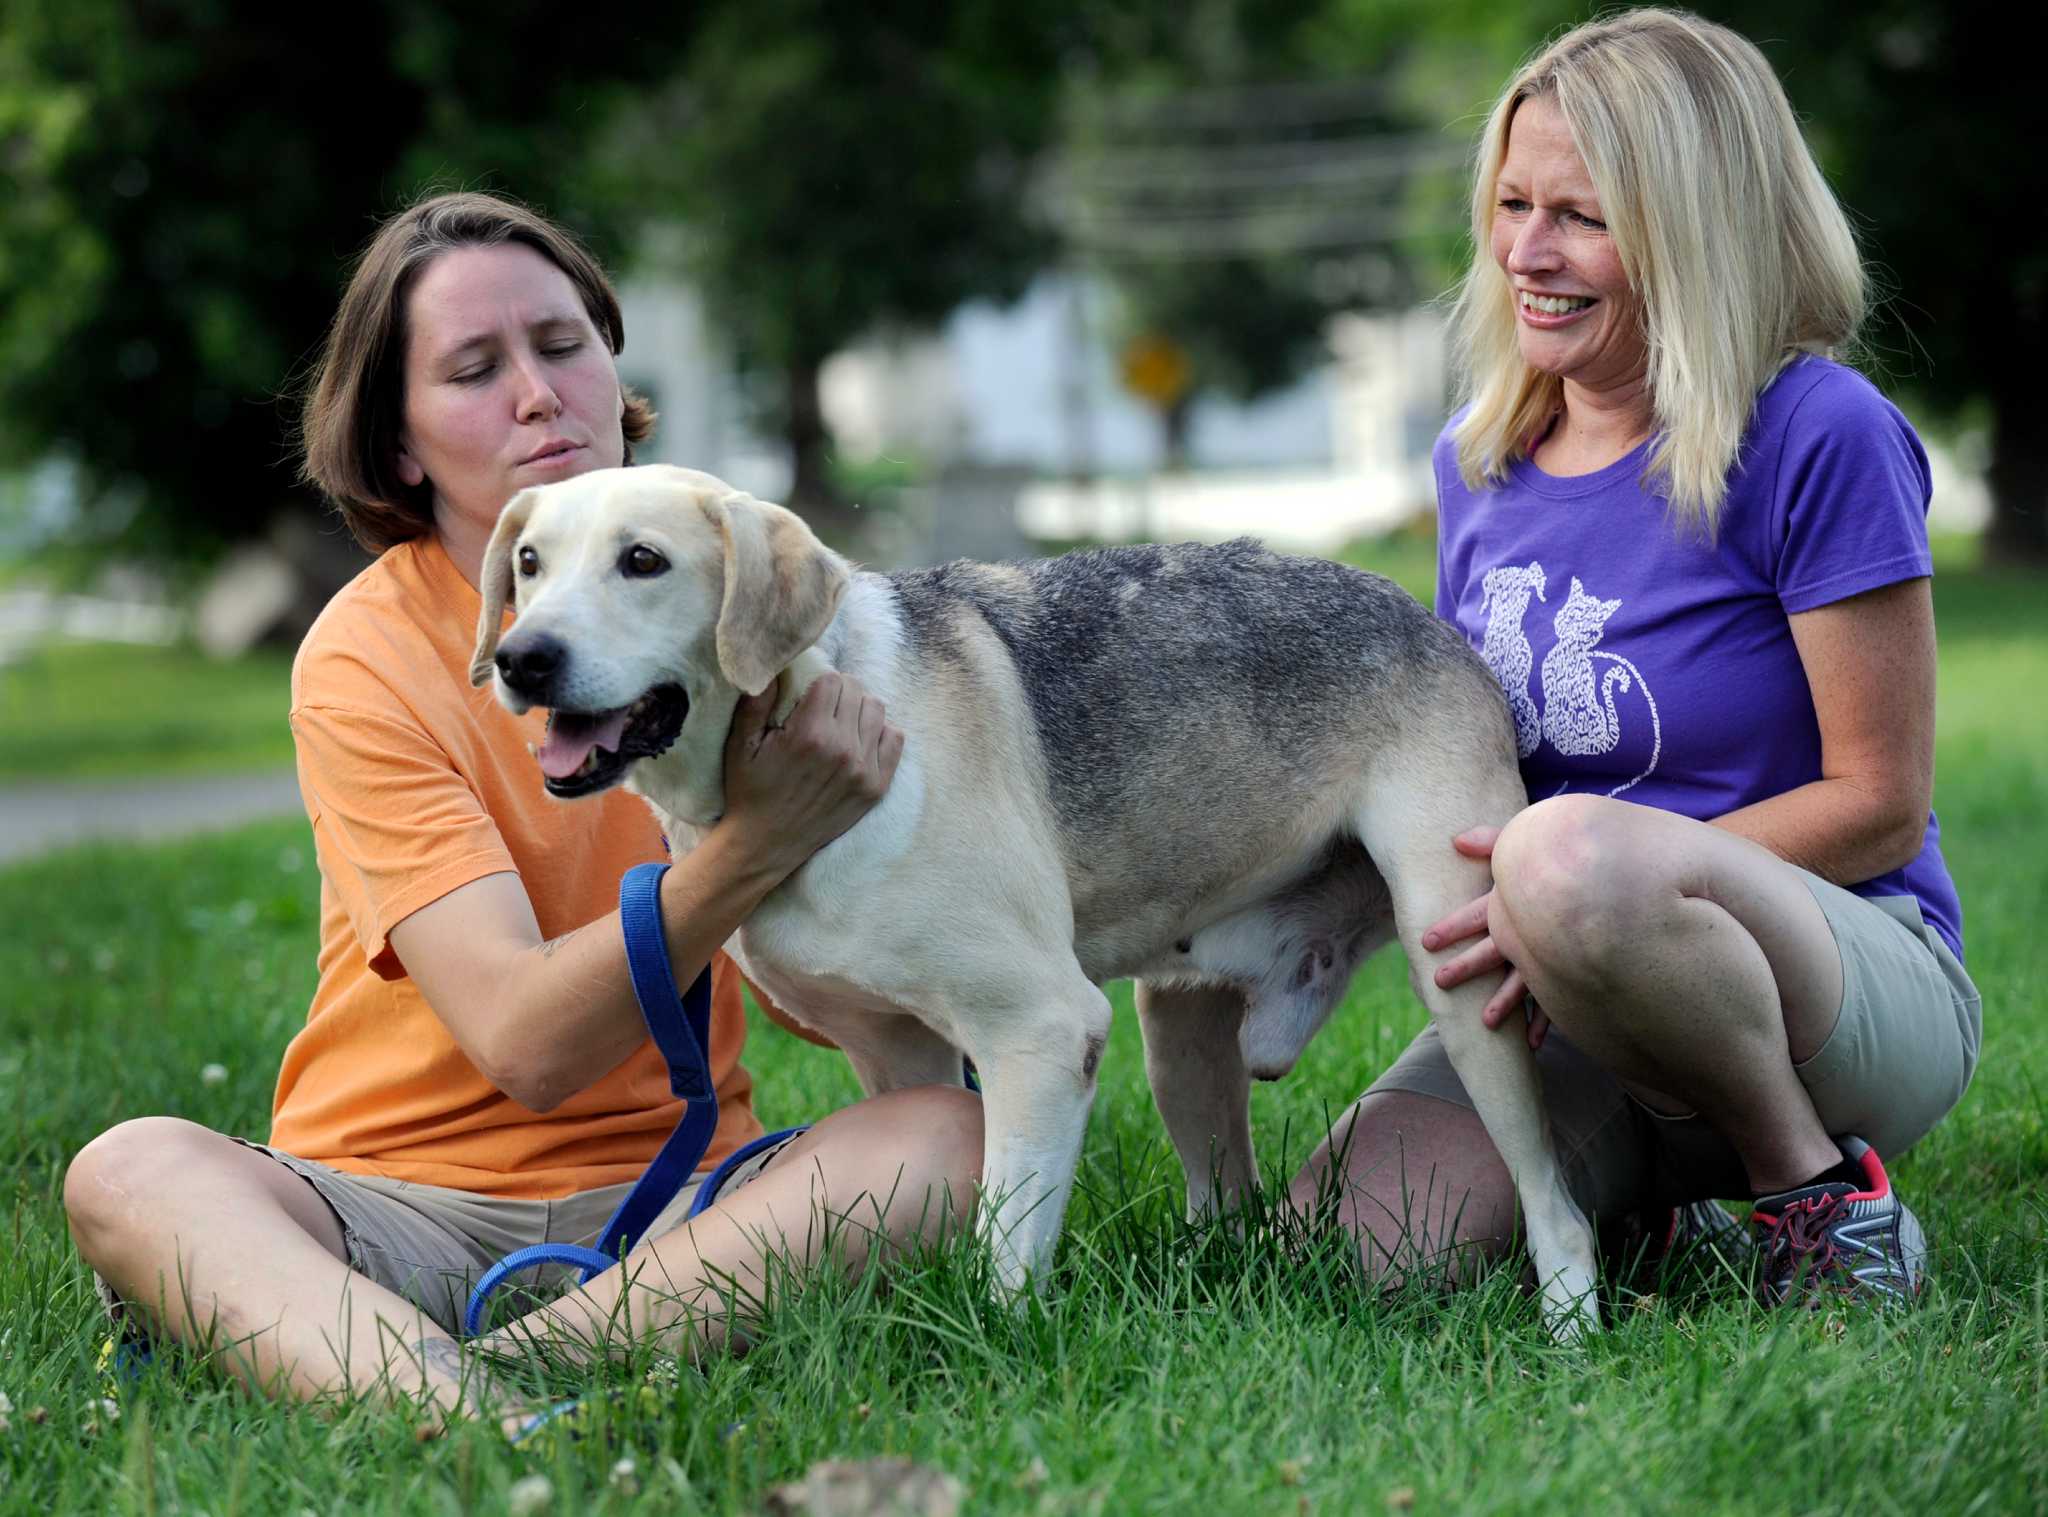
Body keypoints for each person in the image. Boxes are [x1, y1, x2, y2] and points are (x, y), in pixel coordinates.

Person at [63, 191, 985, 1432]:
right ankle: (427, 1361)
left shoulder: (740, 595)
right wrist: (762, 841)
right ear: (400, 445)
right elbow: (528, 1045)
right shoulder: (365, 657)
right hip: (390, 1208)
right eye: (473, 369)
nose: (538, 394)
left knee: (950, 1136)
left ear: (612, 371)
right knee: (131, 1169)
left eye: (561, 345)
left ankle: (474, 1381)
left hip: (686, 1204)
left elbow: (856, 1006)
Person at [1288, 8, 1980, 1308]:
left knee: (1571, 850)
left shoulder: (1818, 431)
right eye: (1511, 204)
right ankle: (1659, 1213)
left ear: (1692, 229)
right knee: (1349, 1251)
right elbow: (1471, 767)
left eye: (1581, 218)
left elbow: (1880, 803)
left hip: (1840, 980)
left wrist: (1585, 894)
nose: (1525, 253)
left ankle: (1821, 1201)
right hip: (1577, 978)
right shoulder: (1477, 460)